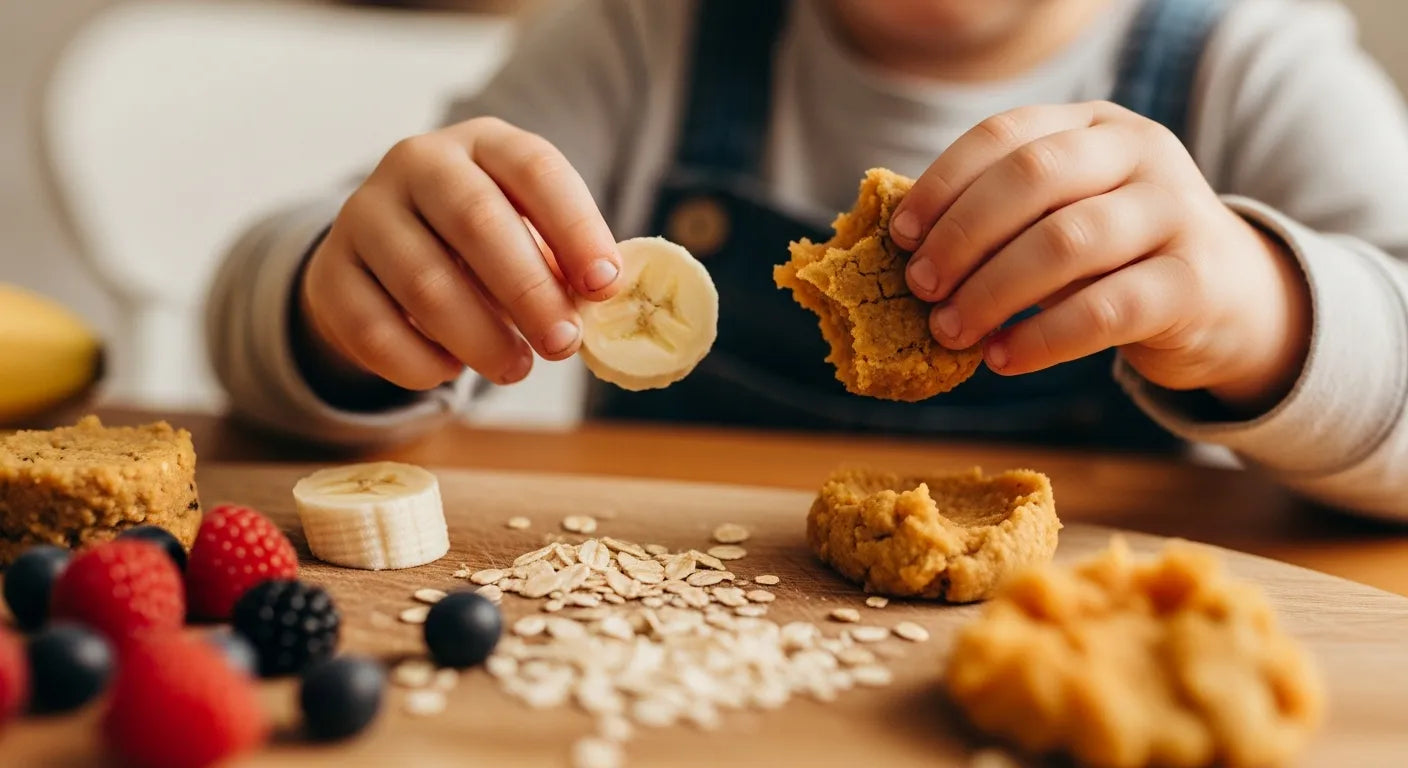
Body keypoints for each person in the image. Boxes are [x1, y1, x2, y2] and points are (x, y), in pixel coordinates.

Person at [206, 0, 1408, 518]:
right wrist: (340, 311)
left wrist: (1266, 309)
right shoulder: (641, 39)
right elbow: (268, 297)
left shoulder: (1249, 65)